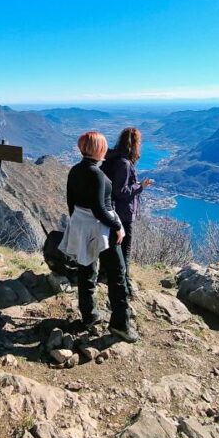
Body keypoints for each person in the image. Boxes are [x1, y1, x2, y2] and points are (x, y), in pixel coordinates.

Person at [60, 131, 139, 343]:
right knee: (118, 274)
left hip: (82, 225)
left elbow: (71, 203)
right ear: (98, 149)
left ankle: (89, 316)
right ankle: (120, 324)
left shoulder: (75, 170)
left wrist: (79, 226)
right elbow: (100, 209)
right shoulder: (95, 173)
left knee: (86, 270)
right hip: (101, 228)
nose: (107, 149)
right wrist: (117, 227)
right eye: (103, 146)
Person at [101, 128, 153, 298]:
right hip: (122, 214)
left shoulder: (114, 158)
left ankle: (112, 278)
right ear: (135, 144)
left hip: (114, 212)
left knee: (114, 247)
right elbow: (121, 191)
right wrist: (140, 187)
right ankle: (125, 284)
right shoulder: (123, 163)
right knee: (125, 249)